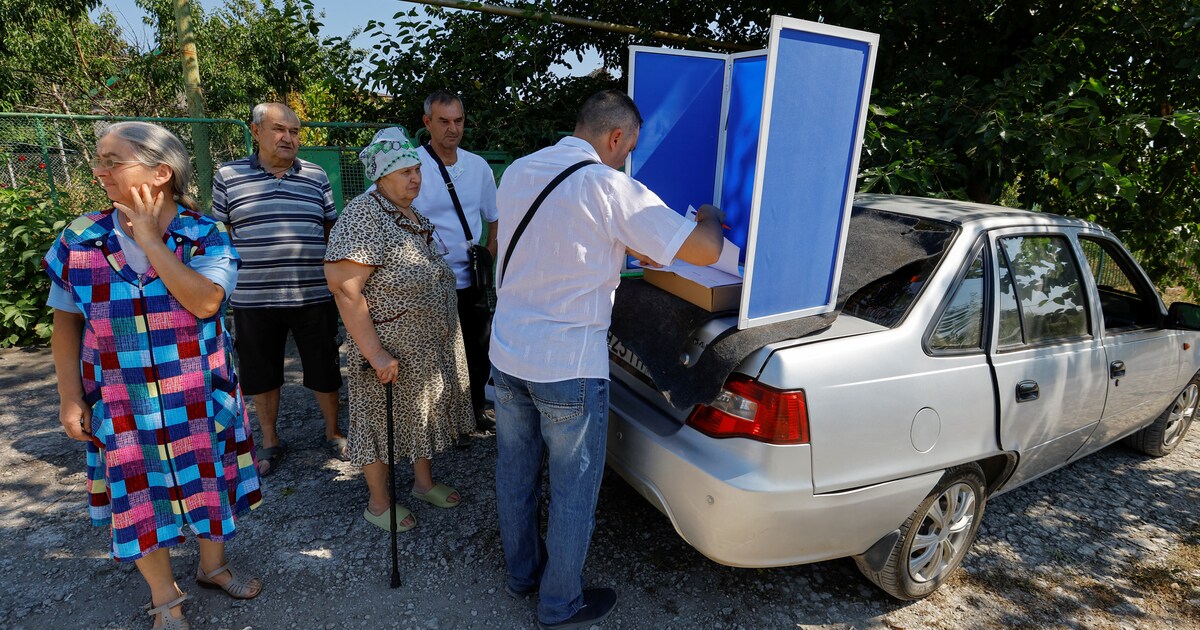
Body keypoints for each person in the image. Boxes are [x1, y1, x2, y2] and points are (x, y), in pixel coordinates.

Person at [490, 90, 725, 629]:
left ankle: (522, 574)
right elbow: (706, 252)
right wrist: (709, 216)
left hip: (508, 352)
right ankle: (559, 604)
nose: (627, 159)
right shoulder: (609, 185)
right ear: (615, 137)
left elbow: (547, 242)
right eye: (629, 148)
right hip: (568, 364)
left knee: (516, 471)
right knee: (574, 488)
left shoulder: (521, 170)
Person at [45, 122, 262, 630]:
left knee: (208, 481)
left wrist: (148, 237)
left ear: (161, 173)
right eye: (98, 160)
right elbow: (65, 323)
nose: (99, 171)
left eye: (112, 161)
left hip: (197, 396)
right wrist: (69, 397)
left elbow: (207, 302)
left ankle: (214, 567)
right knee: (137, 496)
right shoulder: (81, 239)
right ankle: (165, 596)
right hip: (121, 403)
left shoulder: (204, 233)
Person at [324, 127, 476, 532]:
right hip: (388, 346)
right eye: (405, 172)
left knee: (417, 414)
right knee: (379, 422)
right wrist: (375, 353)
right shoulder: (363, 214)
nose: (415, 178)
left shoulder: (411, 214)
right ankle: (378, 502)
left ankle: (423, 483)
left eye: (417, 171)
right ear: (381, 176)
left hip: (424, 344)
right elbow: (343, 286)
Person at [211, 102, 347, 476]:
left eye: (295, 131)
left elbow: (330, 230)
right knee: (260, 371)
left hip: (313, 294)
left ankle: (333, 432)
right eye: (278, 129)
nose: (289, 138)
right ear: (256, 132)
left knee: (325, 366)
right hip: (253, 298)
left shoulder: (316, 176)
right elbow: (221, 234)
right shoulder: (228, 175)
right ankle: (269, 441)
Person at [417, 90, 500, 432]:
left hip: (471, 280)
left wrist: (489, 257)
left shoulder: (477, 167)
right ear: (427, 123)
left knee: (477, 351)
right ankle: (442, 418)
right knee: (436, 354)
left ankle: (475, 410)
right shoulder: (412, 165)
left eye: (459, 120)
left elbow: (495, 218)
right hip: (427, 281)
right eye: (444, 121)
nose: (453, 129)